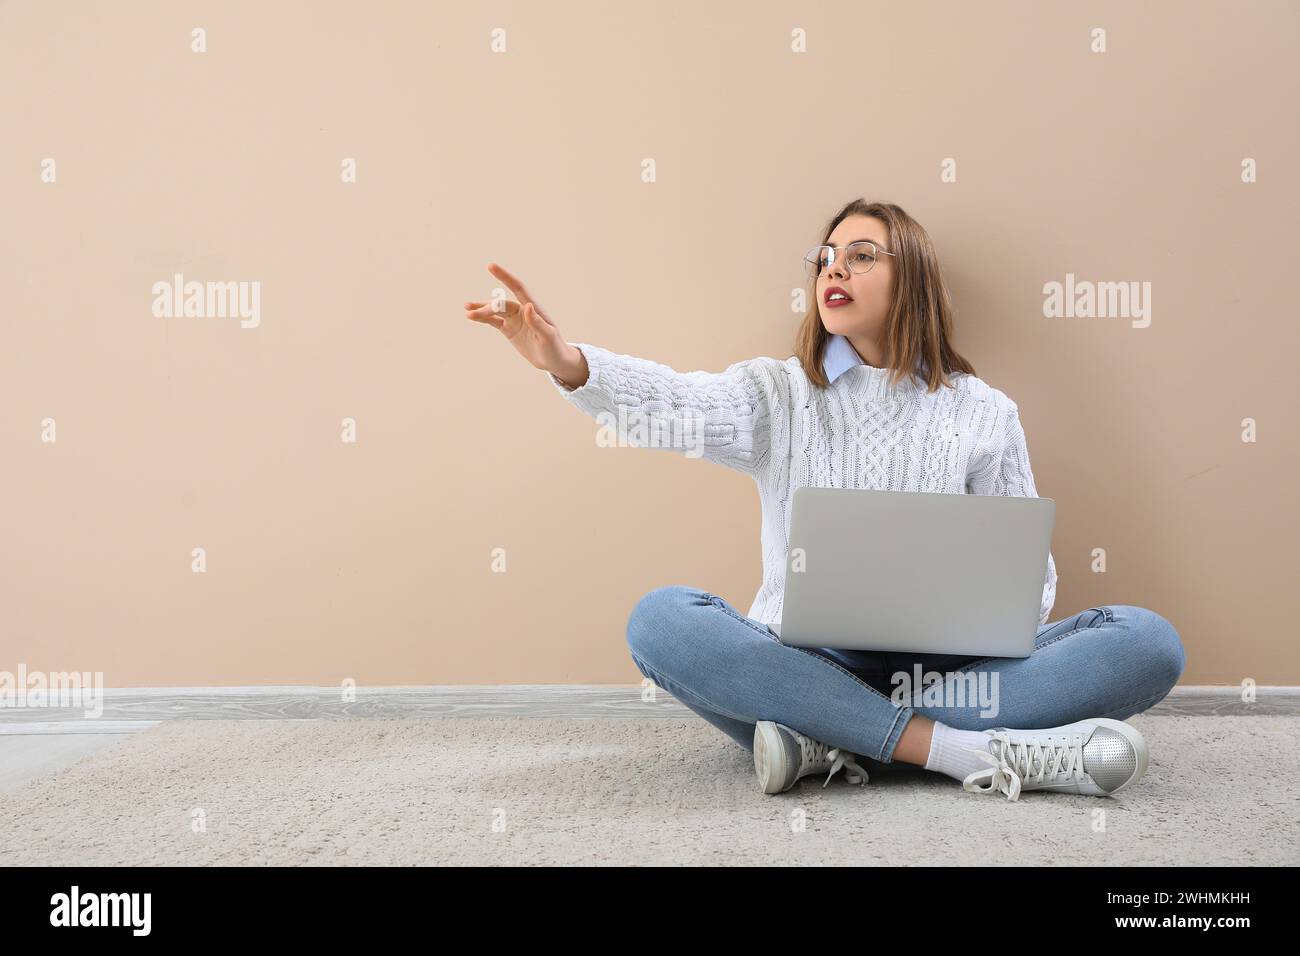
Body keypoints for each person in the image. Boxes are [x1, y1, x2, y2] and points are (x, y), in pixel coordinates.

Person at [463, 199, 1186, 802]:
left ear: (916, 280)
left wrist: (981, 623)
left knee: (1146, 640)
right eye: (827, 255)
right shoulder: (779, 395)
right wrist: (566, 362)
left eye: (863, 254)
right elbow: (672, 403)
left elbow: (1032, 588)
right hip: (803, 664)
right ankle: (960, 751)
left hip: (954, 676)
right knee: (660, 619)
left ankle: (827, 742)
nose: (834, 266)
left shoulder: (983, 411)